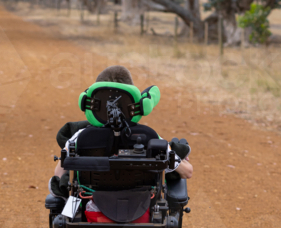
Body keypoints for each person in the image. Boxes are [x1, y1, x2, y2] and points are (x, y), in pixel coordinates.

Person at [51, 64, 192, 197]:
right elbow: (187, 172)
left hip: (89, 205)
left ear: (91, 101)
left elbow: (58, 176)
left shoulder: (81, 137)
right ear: (136, 102)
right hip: (140, 206)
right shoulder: (150, 138)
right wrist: (182, 158)